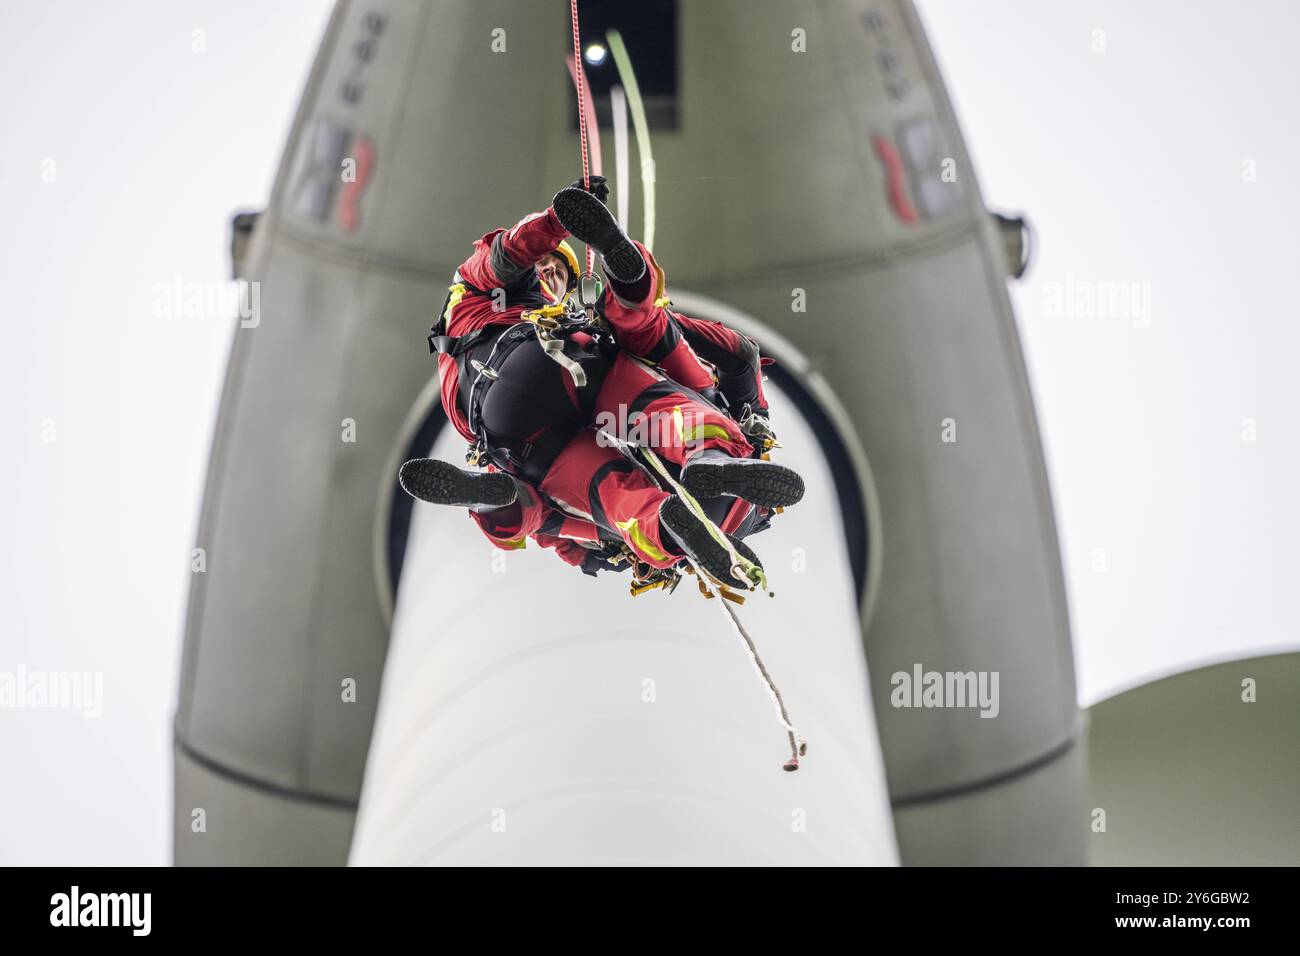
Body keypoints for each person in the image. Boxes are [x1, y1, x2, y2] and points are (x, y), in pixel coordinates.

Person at [402, 178, 803, 585]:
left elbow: (564, 542)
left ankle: (498, 501)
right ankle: (706, 457)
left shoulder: (479, 323)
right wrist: (558, 220)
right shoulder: (482, 291)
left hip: (514, 431)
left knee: (605, 501)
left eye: (560, 274)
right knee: (665, 407)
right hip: (561, 362)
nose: (551, 276)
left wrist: (596, 560)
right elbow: (509, 253)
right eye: (548, 267)